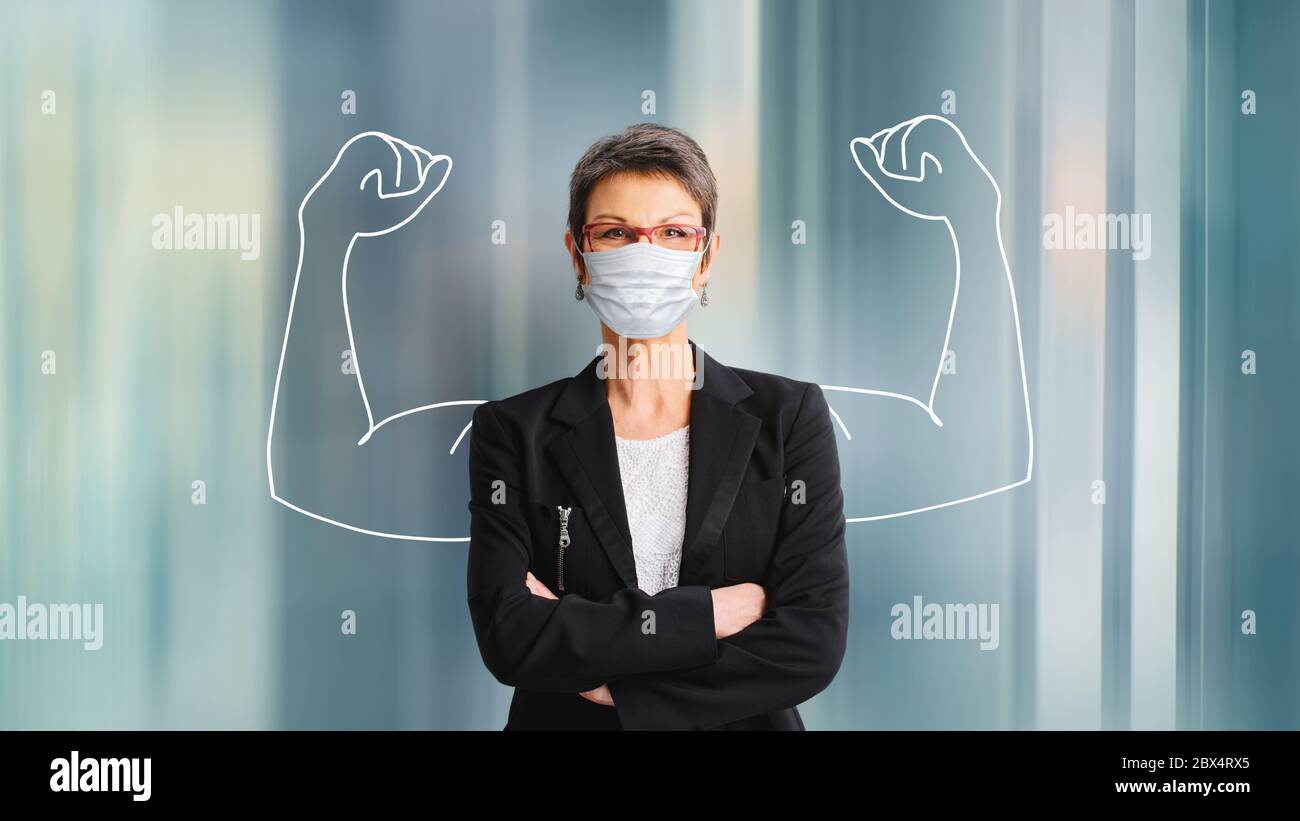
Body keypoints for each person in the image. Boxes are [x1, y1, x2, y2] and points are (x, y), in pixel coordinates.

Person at [465, 123, 850, 730]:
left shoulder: (788, 417)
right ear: (577, 254)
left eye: (673, 233)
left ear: (706, 258)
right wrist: (713, 614)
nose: (644, 253)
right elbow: (510, 635)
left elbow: (810, 643)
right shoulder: (514, 431)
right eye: (616, 233)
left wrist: (618, 688)